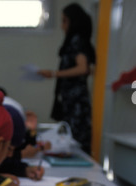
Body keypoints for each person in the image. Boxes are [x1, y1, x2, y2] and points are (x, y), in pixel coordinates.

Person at [39, 3, 96, 155]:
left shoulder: (77, 40)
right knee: (71, 139)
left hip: (76, 103)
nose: (62, 26)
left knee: (76, 142)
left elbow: (83, 68)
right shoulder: (76, 41)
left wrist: (53, 74)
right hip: (71, 101)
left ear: (73, 22)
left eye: (64, 21)